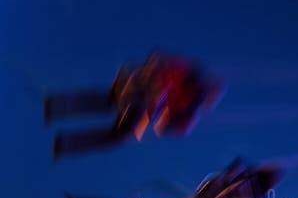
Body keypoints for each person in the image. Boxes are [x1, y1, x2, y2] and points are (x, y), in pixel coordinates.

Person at [46, 53, 222, 160]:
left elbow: (166, 124)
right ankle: (64, 141)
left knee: (111, 104)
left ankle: (56, 109)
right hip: (140, 90)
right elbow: (164, 120)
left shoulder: (189, 89)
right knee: (118, 127)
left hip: (137, 87)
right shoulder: (190, 83)